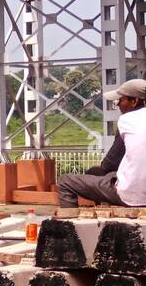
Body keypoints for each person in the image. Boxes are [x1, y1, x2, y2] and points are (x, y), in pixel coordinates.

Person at [57, 79, 146, 207]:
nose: (118, 105)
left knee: (65, 181)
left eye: (120, 100)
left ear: (134, 101)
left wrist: (102, 166)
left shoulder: (127, 120)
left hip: (133, 196)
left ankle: (69, 225)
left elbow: (110, 163)